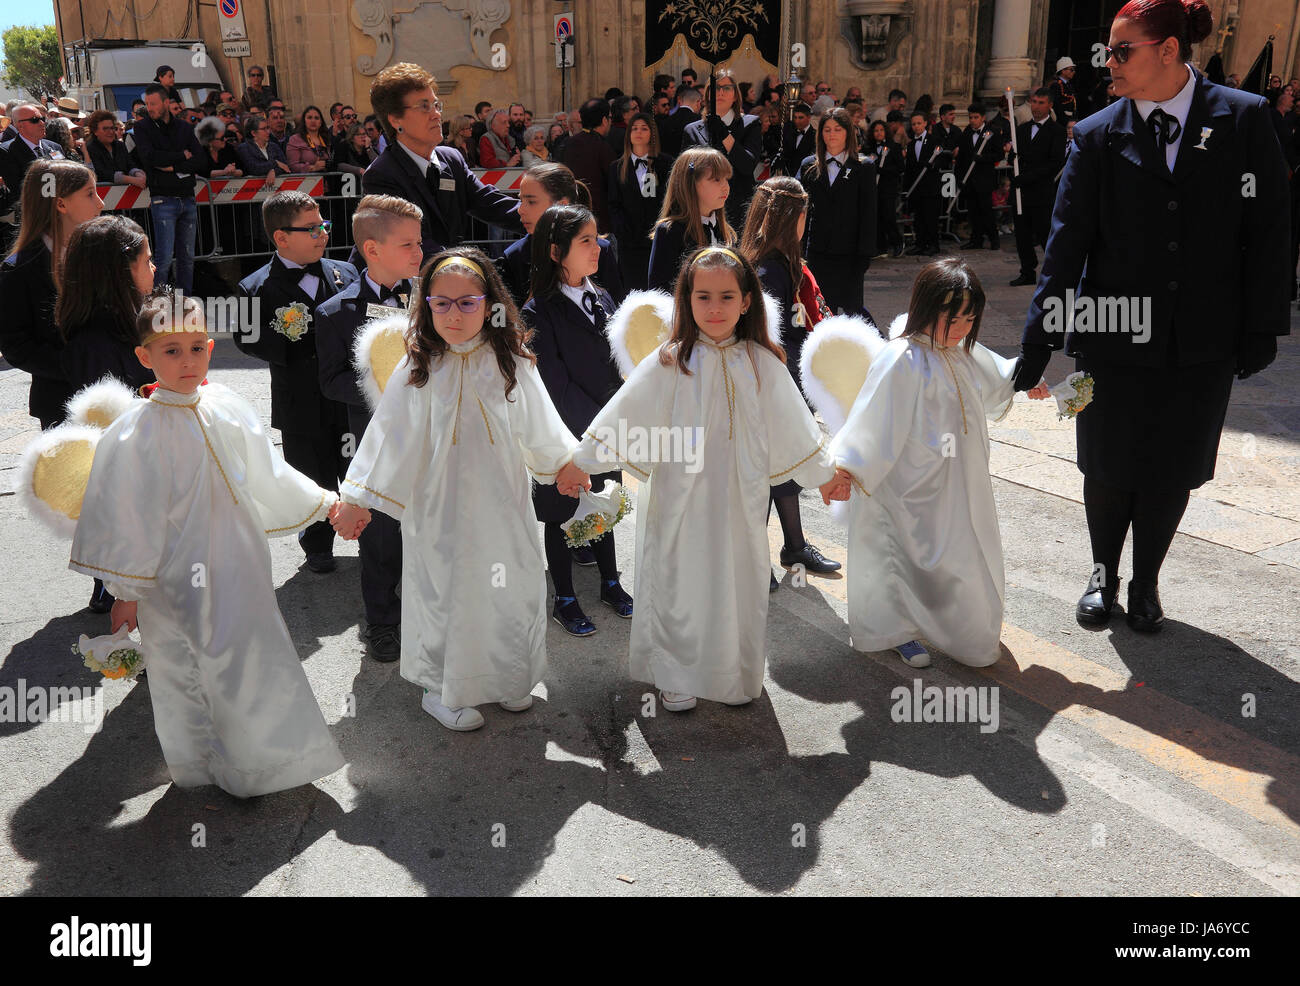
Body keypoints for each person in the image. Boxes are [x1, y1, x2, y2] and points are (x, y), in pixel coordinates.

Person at [1013, 0, 1289, 632]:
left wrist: (1260, 324)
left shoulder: (1242, 120)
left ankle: (1146, 581)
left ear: (1168, 50)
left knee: (1173, 464)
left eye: (1121, 50)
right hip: (1111, 332)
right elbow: (1066, 242)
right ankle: (1102, 575)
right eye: (1107, 50)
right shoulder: (1097, 133)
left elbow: (1270, 227)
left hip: (1202, 333)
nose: (1106, 62)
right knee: (1105, 459)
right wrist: (1039, 339)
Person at [70, 292, 346, 797]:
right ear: (144, 357)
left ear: (212, 348)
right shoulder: (132, 434)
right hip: (173, 578)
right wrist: (125, 591)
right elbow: (125, 516)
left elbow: (268, 471)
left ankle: (270, 763)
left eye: (197, 346)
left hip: (241, 562)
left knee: (255, 655)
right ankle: (205, 763)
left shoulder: (227, 407)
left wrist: (324, 500)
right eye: (170, 349)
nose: (187, 361)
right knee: (192, 664)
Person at [561, 246, 844, 711]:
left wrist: (826, 476)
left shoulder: (763, 362)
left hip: (740, 496)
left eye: (727, 297)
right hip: (680, 497)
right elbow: (624, 414)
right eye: (703, 296)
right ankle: (677, 672)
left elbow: (795, 427)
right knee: (680, 579)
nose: (715, 308)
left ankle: (733, 671)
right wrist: (582, 460)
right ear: (686, 301)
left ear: (747, 301)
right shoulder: (671, 360)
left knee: (738, 580)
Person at [331, 249, 579, 732]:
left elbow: (541, 422)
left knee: (509, 586)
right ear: (425, 305)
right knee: (446, 591)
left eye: (467, 303)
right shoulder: (419, 366)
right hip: (440, 507)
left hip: (503, 502)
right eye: (440, 304)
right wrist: (359, 498)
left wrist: (566, 464)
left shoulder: (511, 360)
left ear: (489, 304)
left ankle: (507, 676)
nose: (453, 315)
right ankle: (440, 688)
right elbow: (388, 436)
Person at [831, 259, 1045, 669]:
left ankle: (964, 628)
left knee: (962, 552)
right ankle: (896, 629)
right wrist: (848, 468)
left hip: (960, 479)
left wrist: (1026, 378)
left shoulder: (961, 351)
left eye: (970, 317)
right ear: (927, 308)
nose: (962, 328)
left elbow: (998, 377)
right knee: (904, 553)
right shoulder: (902, 358)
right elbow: (874, 419)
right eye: (953, 317)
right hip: (907, 483)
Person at [315, 194, 424, 663]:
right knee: (380, 537)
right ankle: (382, 621)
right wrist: (387, 391)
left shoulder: (432, 299)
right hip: (374, 442)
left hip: (430, 439)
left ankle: (428, 615)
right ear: (372, 250)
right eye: (408, 245)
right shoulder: (336, 313)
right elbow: (332, 380)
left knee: (428, 529)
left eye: (420, 243)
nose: (420, 253)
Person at [520, 205, 634, 636]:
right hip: (567, 434)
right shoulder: (538, 311)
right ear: (555, 251)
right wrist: (595, 432)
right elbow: (556, 384)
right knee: (561, 511)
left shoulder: (602, 297)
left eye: (597, 237)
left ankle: (610, 581)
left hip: (608, 430)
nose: (597, 246)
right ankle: (564, 595)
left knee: (603, 505)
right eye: (585, 240)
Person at [236, 190, 360, 573]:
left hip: (348, 396)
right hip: (301, 399)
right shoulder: (254, 287)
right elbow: (248, 338)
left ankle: (371, 533)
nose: (322, 233)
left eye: (324, 225)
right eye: (311, 228)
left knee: (357, 467)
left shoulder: (347, 271)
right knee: (311, 473)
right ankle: (318, 543)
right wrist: (300, 340)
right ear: (281, 237)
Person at [740, 177, 843, 590]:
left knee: (785, 467)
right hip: (772, 386)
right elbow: (772, 338)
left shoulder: (782, 260)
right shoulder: (768, 268)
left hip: (788, 381)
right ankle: (752, 560)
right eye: (803, 215)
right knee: (764, 476)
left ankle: (794, 545)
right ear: (792, 217)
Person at [362, 62, 522, 261]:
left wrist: (550, 219)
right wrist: (469, 269)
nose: (436, 114)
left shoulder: (451, 158)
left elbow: (491, 204)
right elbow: (413, 248)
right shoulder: (381, 175)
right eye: (424, 107)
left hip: (448, 274)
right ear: (396, 120)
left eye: (436, 105)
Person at [0, 159, 102, 430]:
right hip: (62, 402)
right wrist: (74, 366)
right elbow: (16, 345)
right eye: (90, 194)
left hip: (115, 393)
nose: (101, 203)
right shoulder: (20, 268)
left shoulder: (101, 252)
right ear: (60, 204)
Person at [497, 161, 625, 308]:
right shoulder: (515, 257)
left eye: (531, 202)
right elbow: (507, 322)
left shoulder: (599, 250)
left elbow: (616, 310)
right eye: (521, 200)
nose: (520, 209)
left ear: (561, 205)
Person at [799, 107, 876, 315]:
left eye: (838, 129)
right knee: (820, 310)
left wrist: (865, 255)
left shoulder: (863, 166)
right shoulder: (809, 165)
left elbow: (868, 213)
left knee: (853, 312)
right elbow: (801, 211)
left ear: (848, 133)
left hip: (850, 254)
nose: (832, 135)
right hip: (817, 252)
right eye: (827, 130)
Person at [131, 83, 204, 292]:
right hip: (163, 199)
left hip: (187, 198)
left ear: (165, 102)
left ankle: (184, 303)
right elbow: (149, 157)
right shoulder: (142, 127)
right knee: (163, 258)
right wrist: (181, 156)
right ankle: (159, 305)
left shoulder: (184, 127)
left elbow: (199, 159)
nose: (149, 107)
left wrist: (170, 165)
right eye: (147, 103)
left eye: (153, 103)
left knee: (187, 258)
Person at [647, 146, 734, 291]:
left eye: (726, 179)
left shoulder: (725, 232)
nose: (726, 187)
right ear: (690, 184)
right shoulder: (671, 231)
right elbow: (659, 291)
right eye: (717, 180)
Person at [681, 70, 762, 227]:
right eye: (716, 88)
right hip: (703, 210)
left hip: (738, 209)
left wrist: (724, 133)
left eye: (727, 88)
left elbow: (747, 165)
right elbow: (687, 172)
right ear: (708, 95)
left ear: (735, 94)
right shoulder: (691, 129)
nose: (721, 93)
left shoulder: (750, 124)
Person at [1006, 88, 1067, 286]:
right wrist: (1012, 158)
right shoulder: (1022, 130)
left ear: (1050, 105)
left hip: (1041, 192)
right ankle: (1027, 271)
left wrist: (1027, 178)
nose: (1036, 107)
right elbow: (1016, 158)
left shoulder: (1057, 131)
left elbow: (1055, 163)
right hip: (1020, 193)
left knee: (1044, 233)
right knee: (1022, 234)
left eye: (1041, 103)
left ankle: (1055, 271)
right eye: (1033, 102)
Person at [608, 112, 671, 291]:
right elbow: (614, 204)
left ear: (652, 133)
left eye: (644, 128)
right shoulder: (617, 167)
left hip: (657, 240)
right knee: (633, 290)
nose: (639, 132)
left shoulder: (665, 164)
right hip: (630, 243)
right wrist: (622, 230)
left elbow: (669, 199)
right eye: (634, 128)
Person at [561, 98, 617, 234]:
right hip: (598, 221)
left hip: (570, 215)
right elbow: (613, 182)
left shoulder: (568, 143)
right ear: (604, 120)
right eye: (610, 118)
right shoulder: (602, 147)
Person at [0, 103, 66, 215]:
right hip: (33, 214)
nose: (42, 123)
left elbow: (66, 175)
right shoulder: (6, 151)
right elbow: (18, 189)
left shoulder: (54, 147)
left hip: (61, 210)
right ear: (20, 126)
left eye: (42, 118)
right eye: (35, 120)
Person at [958, 103, 1002, 250]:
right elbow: (962, 158)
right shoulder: (966, 134)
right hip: (970, 180)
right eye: (970, 117)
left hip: (984, 179)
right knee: (973, 212)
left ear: (983, 118)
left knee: (986, 211)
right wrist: (960, 178)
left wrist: (982, 158)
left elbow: (999, 154)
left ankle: (994, 238)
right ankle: (976, 239)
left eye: (976, 117)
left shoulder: (992, 132)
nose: (972, 120)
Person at [902, 110, 945, 256]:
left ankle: (933, 244)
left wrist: (931, 165)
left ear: (925, 123)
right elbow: (909, 168)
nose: (916, 126)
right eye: (913, 124)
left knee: (930, 217)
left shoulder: (934, 140)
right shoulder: (911, 144)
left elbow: (941, 158)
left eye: (919, 123)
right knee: (919, 218)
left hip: (931, 186)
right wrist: (907, 189)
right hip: (917, 187)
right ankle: (920, 244)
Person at [864, 119, 904, 257]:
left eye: (881, 130)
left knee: (888, 216)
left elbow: (900, 167)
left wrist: (883, 170)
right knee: (876, 218)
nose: (879, 133)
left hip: (888, 188)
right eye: (876, 131)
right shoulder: (869, 149)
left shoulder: (894, 147)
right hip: (874, 189)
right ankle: (881, 247)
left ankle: (897, 242)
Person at [84, 109, 146, 187]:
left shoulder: (120, 145)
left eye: (112, 128)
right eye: (105, 129)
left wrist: (138, 173)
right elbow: (102, 173)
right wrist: (131, 180)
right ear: (95, 131)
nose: (110, 132)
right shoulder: (90, 148)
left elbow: (130, 164)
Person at [236, 113, 293, 177]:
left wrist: (273, 171)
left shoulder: (274, 146)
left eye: (268, 128)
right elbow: (254, 169)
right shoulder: (244, 148)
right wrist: (276, 163)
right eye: (264, 129)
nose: (268, 131)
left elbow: (285, 168)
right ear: (253, 133)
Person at [286, 105, 332, 173]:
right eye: (309, 118)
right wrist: (312, 168)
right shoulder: (295, 139)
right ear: (304, 121)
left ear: (320, 123)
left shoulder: (326, 138)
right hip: (306, 181)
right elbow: (292, 166)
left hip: (326, 180)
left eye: (316, 118)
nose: (313, 121)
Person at [780, 101, 817, 177]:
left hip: (805, 175)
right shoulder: (788, 132)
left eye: (801, 118)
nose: (797, 121)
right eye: (795, 117)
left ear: (809, 117)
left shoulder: (815, 136)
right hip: (787, 175)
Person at [1050, 56, 1082, 123]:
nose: (1074, 72)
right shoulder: (1056, 85)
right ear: (1063, 71)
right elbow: (1056, 105)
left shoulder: (1069, 85)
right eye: (1071, 69)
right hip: (1061, 121)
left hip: (1070, 120)